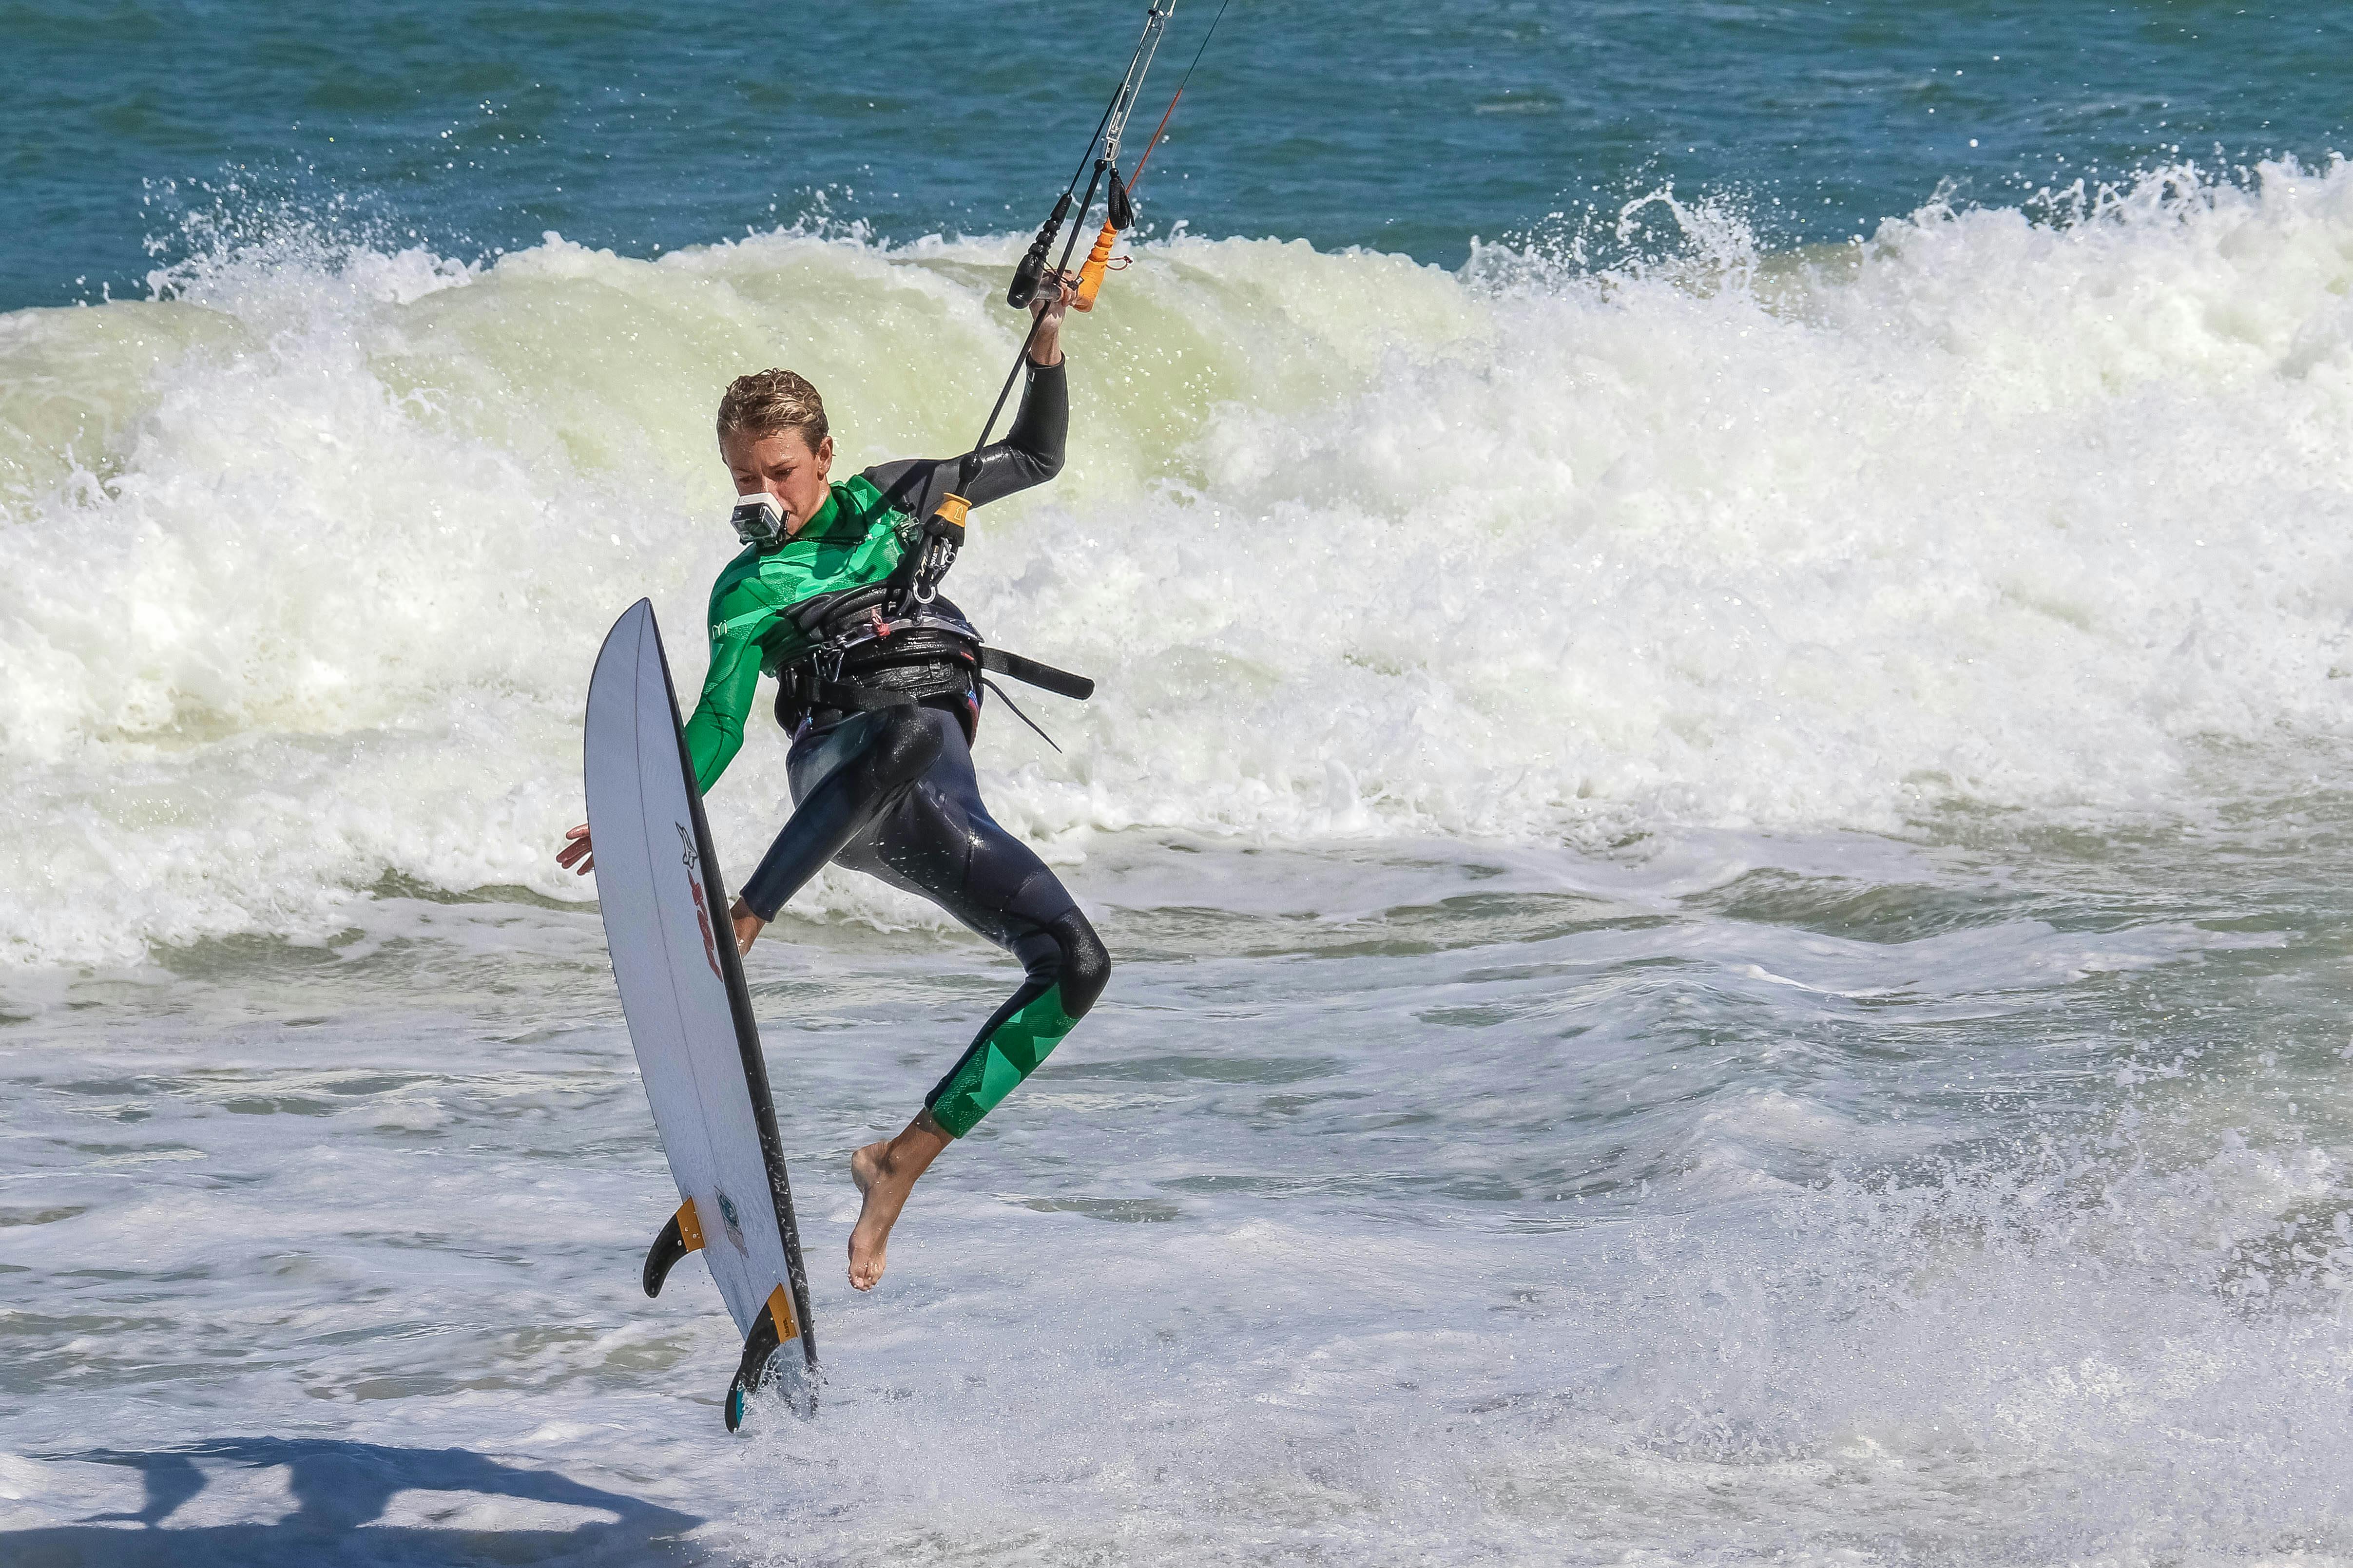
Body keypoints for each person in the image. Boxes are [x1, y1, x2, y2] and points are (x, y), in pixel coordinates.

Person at [557, 274, 1109, 1292]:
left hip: (934, 791)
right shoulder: (746, 589)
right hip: (838, 762)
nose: (759, 496)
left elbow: (1034, 455)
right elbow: (719, 723)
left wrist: (1046, 354)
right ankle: (747, 922)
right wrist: (642, 802)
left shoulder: (901, 497)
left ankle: (898, 1161)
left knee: (1074, 965)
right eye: (740, 478)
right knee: (894, 734)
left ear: (824, 455)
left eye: (777, 473)